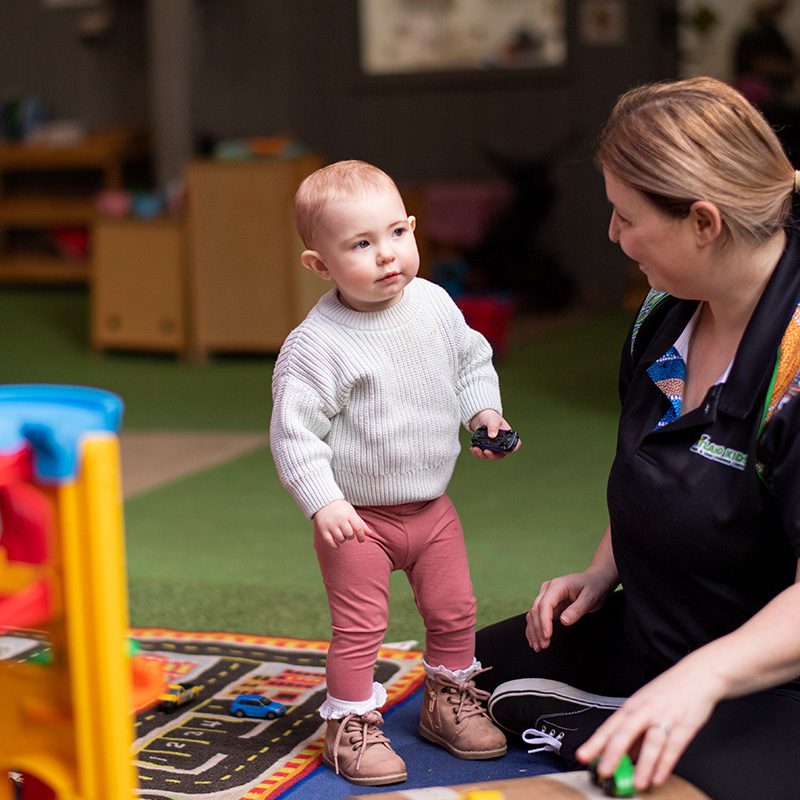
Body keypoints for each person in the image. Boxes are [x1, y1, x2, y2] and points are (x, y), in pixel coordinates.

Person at [474, 76, 800, 800]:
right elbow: (657, 470)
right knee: (468, 676)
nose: (612, 236)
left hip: (772, 674)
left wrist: (704, 677)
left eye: (626, 217)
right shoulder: (662, 312)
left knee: (665, 783)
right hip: (669, 629)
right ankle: (640, 721)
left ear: (704, 222)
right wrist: (602, 570)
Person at [270, 160, 519, 786]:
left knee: (455, 610)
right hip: (358, 521)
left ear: (411, 227)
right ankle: (349, 725)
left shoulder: (433, 302)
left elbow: (470, 362)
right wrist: (324, 501)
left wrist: (483, 413)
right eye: (360, 244)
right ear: (320, 265)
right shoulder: (316, 345)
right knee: (360, 630)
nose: (387, 255)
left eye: (397, 234)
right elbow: (294, 433)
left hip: (432, 509)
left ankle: (448, 701)